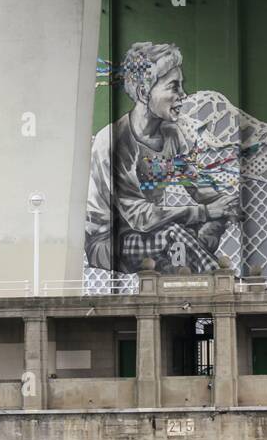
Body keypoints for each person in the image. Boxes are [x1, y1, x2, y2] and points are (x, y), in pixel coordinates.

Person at [86, 41, 240, 274]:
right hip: (109, 241)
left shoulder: (172, 135)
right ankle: (223, 284)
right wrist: (205, 212)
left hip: (150, 233)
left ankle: (190, 281)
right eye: (174, 87)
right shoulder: (113, 141)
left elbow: (199, 187)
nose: (183, 95)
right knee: (173, 235)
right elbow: (140, 217)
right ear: (143, 92)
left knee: (191, 233)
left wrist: (224, 208)